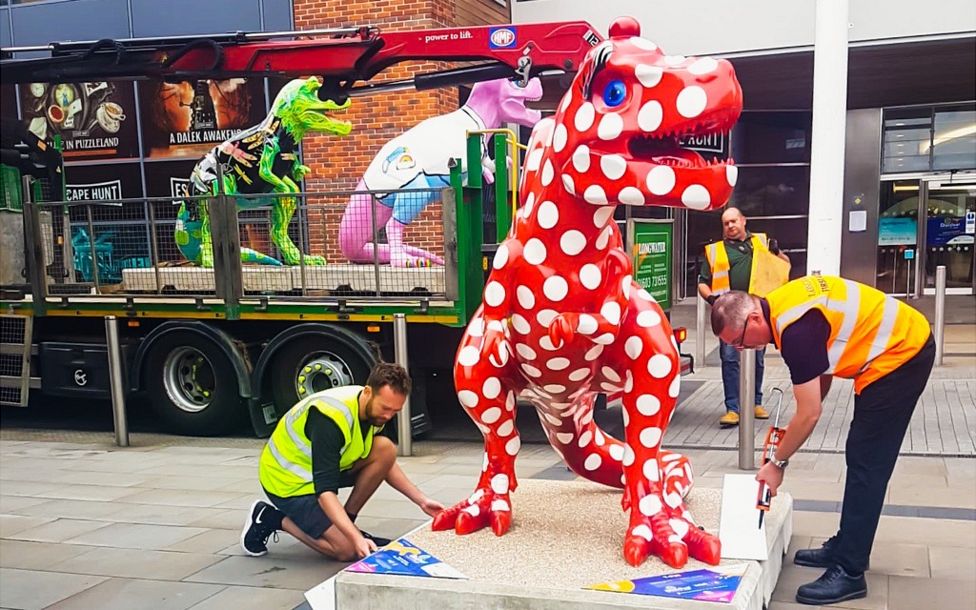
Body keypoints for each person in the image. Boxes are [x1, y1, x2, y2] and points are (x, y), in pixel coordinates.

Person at [710, 275, 934, 605]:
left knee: (865, 460)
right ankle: (847, 544)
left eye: (741, 341)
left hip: (902, 355)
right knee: (860, 454)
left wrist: (777, 463)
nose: (744, 349)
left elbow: (810, 413)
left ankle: (850, 570)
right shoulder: (782, 306)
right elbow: (820, 373)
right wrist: (793, 429)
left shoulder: (794, 330)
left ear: (754, 318)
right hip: (897, 345)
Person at [240, 362, 445, 561]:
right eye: (385, 408)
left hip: (317, 470)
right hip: (288, 482)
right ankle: (268, 517)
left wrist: (422, 500)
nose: (388, 416)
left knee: (385, 449)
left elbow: (386, 463)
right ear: (367, 392)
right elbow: (325, 492)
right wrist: (355, 539)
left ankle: (345, 524)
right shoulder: (329, 419)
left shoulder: (373, 408)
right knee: (346, 551)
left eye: (395, 411)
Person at [698, 207, 791, 427]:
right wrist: (712, 300)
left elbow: (784, 266)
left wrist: (777, 252)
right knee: (730, 360)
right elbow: (702, 281)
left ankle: (755, 402)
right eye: (725, 223)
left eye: (733, 221)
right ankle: (733, 408)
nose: (729, 226)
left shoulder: (762, 243)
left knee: (757, 360)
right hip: (729, 316)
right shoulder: (715, 251)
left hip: (756, 314)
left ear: (743, 221)